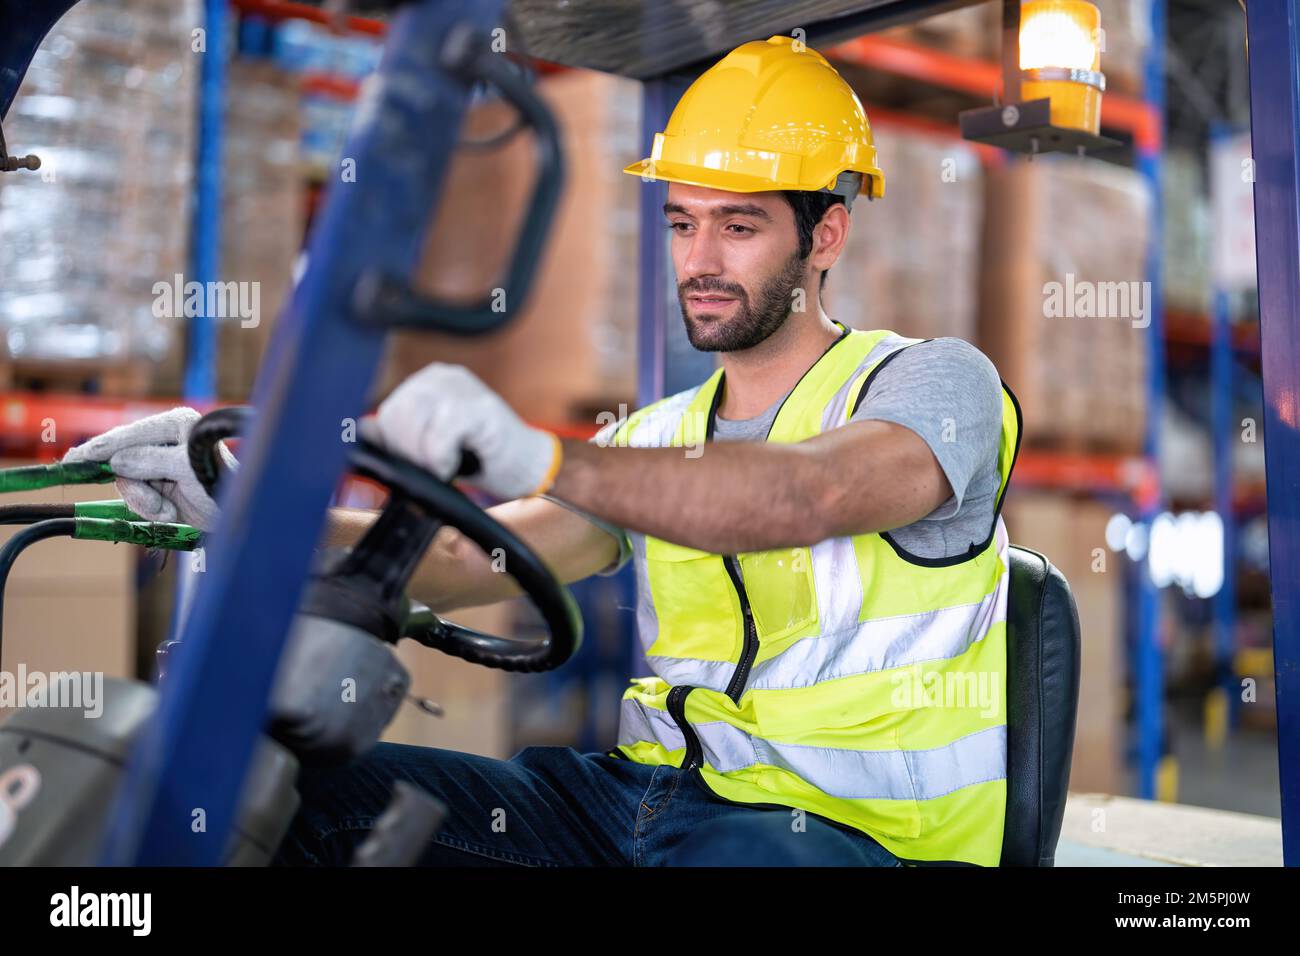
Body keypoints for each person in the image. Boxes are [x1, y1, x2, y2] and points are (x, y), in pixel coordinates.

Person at [65, 36, 1019, 867]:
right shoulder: (657, 435)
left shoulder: (936, 384)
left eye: (740, 226)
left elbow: (804, 495)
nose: (700, 262)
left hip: (846, 838)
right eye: (682, 223)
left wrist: (548, 456)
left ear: (827, 236)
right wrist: (243, 513)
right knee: (275, 795)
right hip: (631, 808)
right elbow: (460, 556)